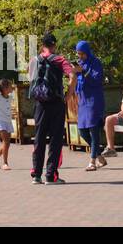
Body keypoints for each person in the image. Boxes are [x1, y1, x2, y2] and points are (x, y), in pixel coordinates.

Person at [28, 33, 78, 184]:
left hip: (39, 104)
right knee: (55, 139)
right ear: (54, 45)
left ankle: (36, 175)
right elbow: (73, 76)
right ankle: (51, 175)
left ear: (42, 45)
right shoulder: (59, 59)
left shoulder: (34, 60)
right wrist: (68, 96)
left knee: (39, 138)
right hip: (56, 102)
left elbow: (31, 78)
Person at [72, 41, 107, 171]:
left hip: (94, 100)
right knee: (82, 131)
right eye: (78, 54)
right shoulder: (80, 64)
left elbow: (96, 79)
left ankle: (92, 161)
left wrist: (83, 72)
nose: (80, 56)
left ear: (87, 52)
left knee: (93, 130)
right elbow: (76, 83)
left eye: (81, 54)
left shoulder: (95, 62)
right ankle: (99, 156)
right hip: (83, 101)